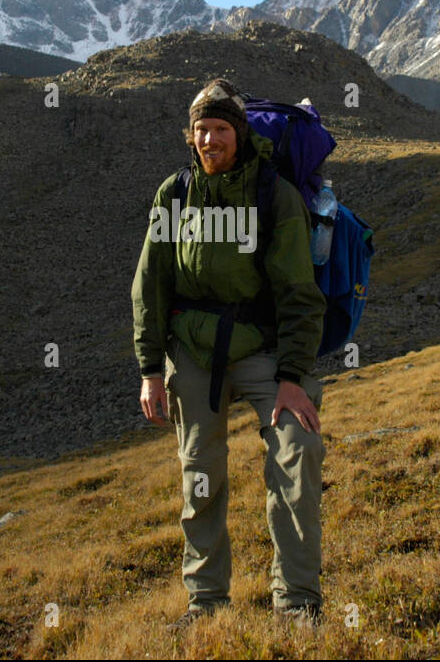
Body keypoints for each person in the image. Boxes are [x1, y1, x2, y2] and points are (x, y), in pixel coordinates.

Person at [131, 77, 327, 630]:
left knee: (297, 451)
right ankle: (207, 602)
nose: (210, 140)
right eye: (201, 130)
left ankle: (296, 602)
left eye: (220, 129)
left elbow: (299, 293)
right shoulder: (174, 194)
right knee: (200, 475)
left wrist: (292, 377)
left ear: (238, 134)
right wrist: (150, 369)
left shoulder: (274, 194)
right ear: (189, 137)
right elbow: (150, 284)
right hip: (193, 353)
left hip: (264, 351)